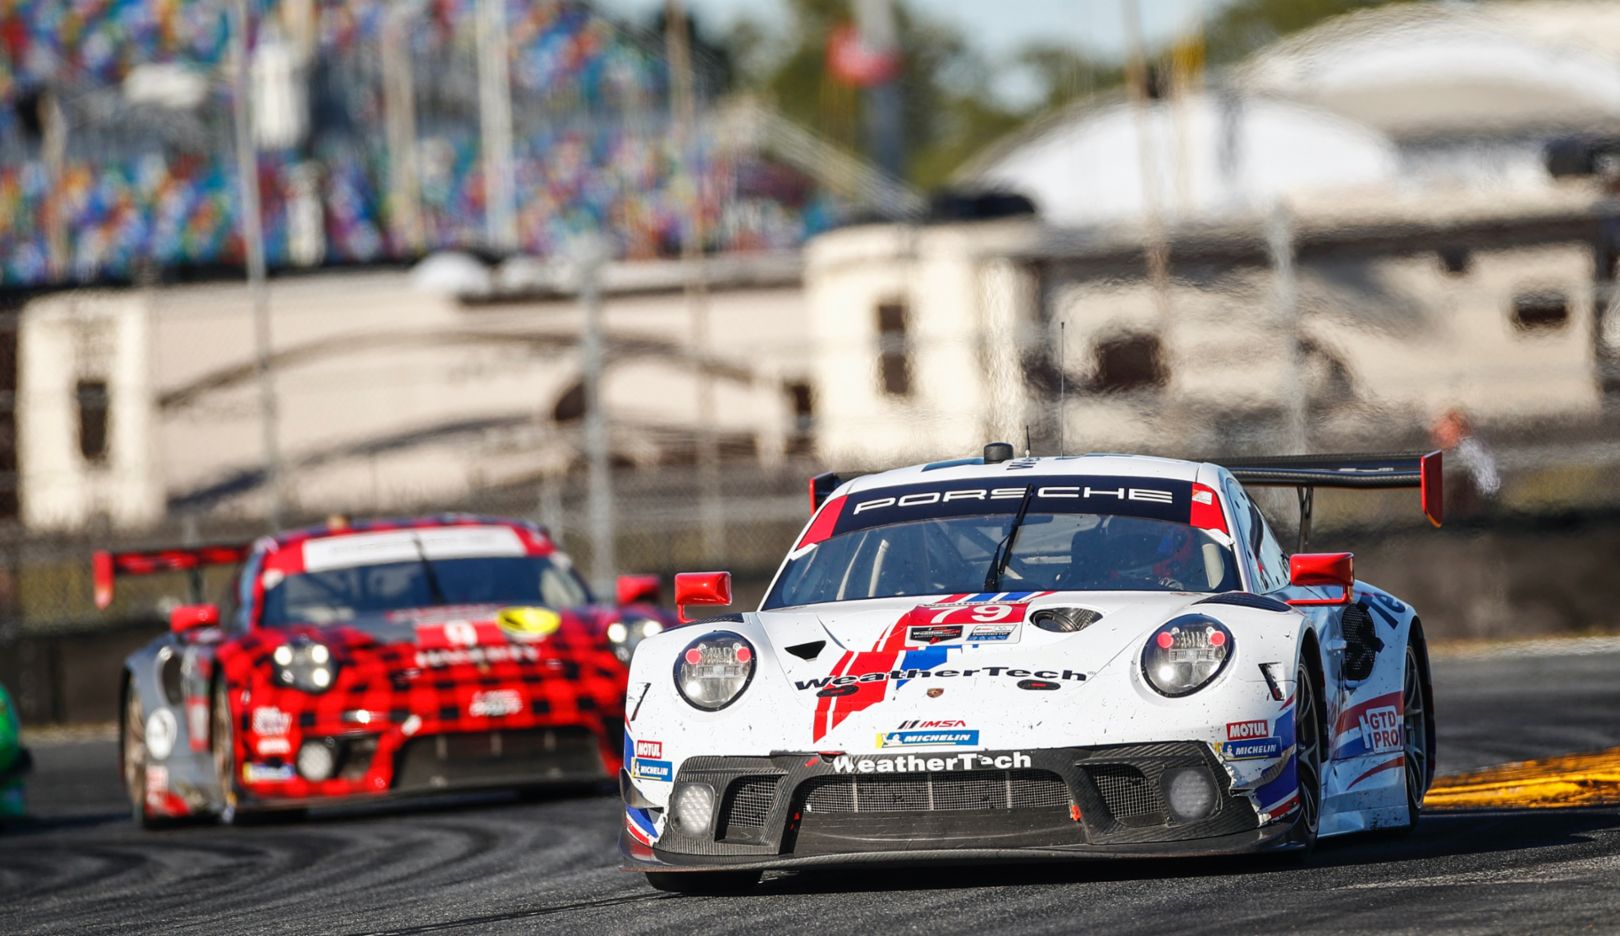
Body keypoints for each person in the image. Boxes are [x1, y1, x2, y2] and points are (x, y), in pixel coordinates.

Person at [1430, 408, 1500, 517]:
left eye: (1445, 431)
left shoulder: (1466, 452)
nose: (1440, 435)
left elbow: (1487, 484)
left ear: (1457, 430)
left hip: (1479, 508)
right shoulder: (1464, 449)